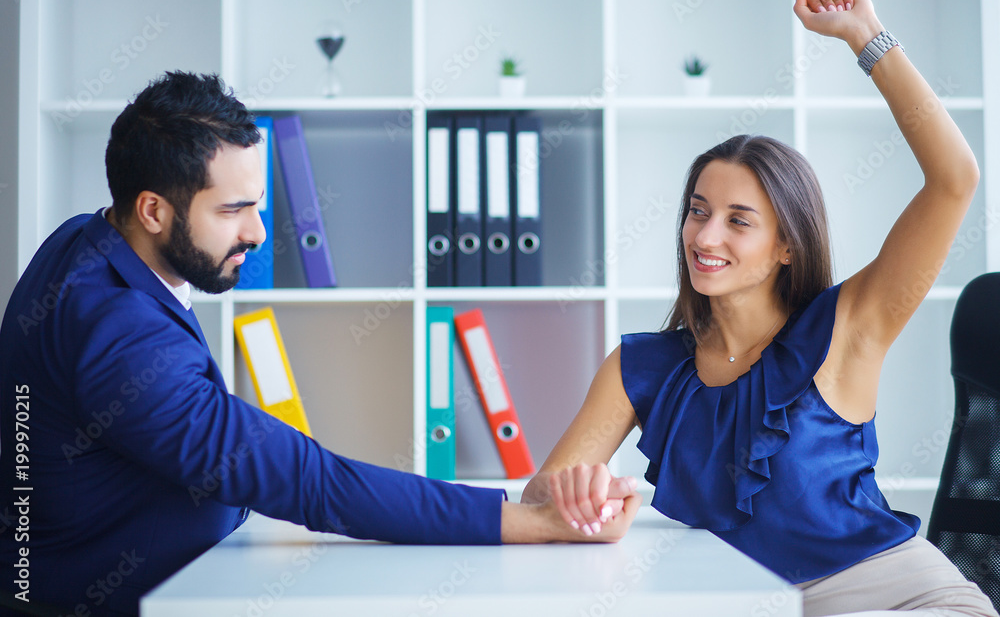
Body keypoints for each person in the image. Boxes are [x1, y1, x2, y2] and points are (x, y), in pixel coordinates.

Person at [0, 71, 641, 616]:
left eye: (258, 203)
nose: (257, 231)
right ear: (153, 210)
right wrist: (524, 521)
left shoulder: (89, 240)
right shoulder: (116, 334)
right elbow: (311, 484)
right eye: (232, 211)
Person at [522, 0, 998, 617]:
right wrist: (574, 496)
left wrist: (865, 37)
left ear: (787, 247)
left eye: (738, 220)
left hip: (898, 597)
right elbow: (541, 500)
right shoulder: (642, 368)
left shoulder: (847, 328)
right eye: (698, 211)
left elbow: (954, 179)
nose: (706, 236)